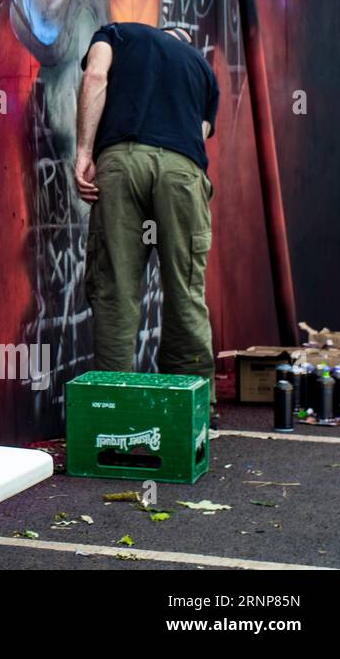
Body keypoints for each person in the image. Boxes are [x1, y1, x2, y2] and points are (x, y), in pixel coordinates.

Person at [74, 22, 221, 415]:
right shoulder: (202, 70)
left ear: (161, 31)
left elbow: (95, 76)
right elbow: (200, 131)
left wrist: (84, 152)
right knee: (185, 290)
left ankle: (113, 408)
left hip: (121, 162)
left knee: (114, 289)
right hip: (181, 171)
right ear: (186, 42)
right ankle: (190, 409)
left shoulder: (118, 34)